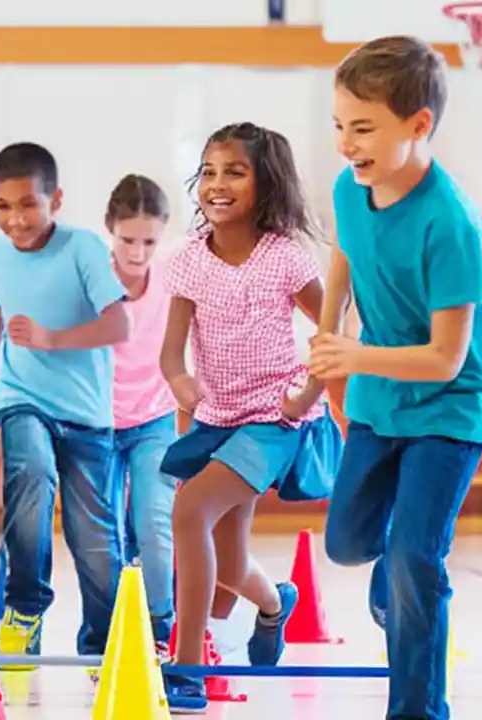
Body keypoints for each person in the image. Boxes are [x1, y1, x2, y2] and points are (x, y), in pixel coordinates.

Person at [310, 36, 482, 720]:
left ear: (419, 125)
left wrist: (351, 357)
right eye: (339, 125)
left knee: (414, 562)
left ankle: (419, 709)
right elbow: (345, 252)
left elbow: (445, 359)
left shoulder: (451, 224)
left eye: (362, 128)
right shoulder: (349, 186)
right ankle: (393, 575)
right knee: (345, 545)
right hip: (379, 398)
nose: (345, 143)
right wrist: (330, 328)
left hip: (451, 408)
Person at [158, 121, 342, 712]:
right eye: (209, 172)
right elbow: (171, 349)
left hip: (273, 420)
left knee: (189, 510)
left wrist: (308, 393)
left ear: (266, 186)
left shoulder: (284, 258)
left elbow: (336, 330)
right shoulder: (189, 261)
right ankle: (273, 604)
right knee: (231, 559)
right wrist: (180, 381)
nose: (217, 184)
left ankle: (184, 664)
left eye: (234, 172)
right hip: (217, 417)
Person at [0, 141, 129, 664]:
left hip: (85, 413)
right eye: (3, 206)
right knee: (29, 475)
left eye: (28, 204)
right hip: (21, 397)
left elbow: (118, 324)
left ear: (55, 199)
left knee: (94, 538)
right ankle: (25, 607)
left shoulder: (82, 248)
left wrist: (51, 338)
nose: (15, 219)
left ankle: (104, 641)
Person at [103, 173, 181, 646]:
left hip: (153, 418)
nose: (137, 252)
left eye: (149, 241)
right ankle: (112, 633)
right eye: (127, 240)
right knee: (105, 533)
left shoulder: (172, 273)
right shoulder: (90, 274)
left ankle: (160, 627)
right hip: (96, 423)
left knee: (154, 521)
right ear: (109, 230)